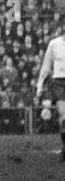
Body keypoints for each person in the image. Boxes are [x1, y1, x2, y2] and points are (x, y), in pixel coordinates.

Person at [34, 29, 65, 161]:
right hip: (59, 84)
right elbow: (46, 65)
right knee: (64, 116)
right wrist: (40, 85)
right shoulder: (54, 44)